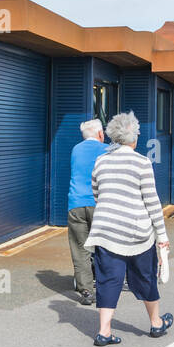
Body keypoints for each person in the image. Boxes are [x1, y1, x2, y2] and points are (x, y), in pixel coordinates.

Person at [83, 112, 173, 346]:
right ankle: (156, 323)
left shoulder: (101, 161)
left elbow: (97, 193)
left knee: (108, 280)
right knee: (145, 278)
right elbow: (152, 202)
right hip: (137, 233)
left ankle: (104, 331)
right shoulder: (142, 162)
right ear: (133, 137)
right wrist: (162, 236)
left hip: (106, 231)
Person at [67, 118, 109, 306]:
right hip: (98, 204)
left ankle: (86, 291)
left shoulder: (76, 149)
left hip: (76, 204)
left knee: (80, 248)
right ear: (100, 134)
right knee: (104, 245)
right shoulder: (107, 150)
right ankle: (107, 284)